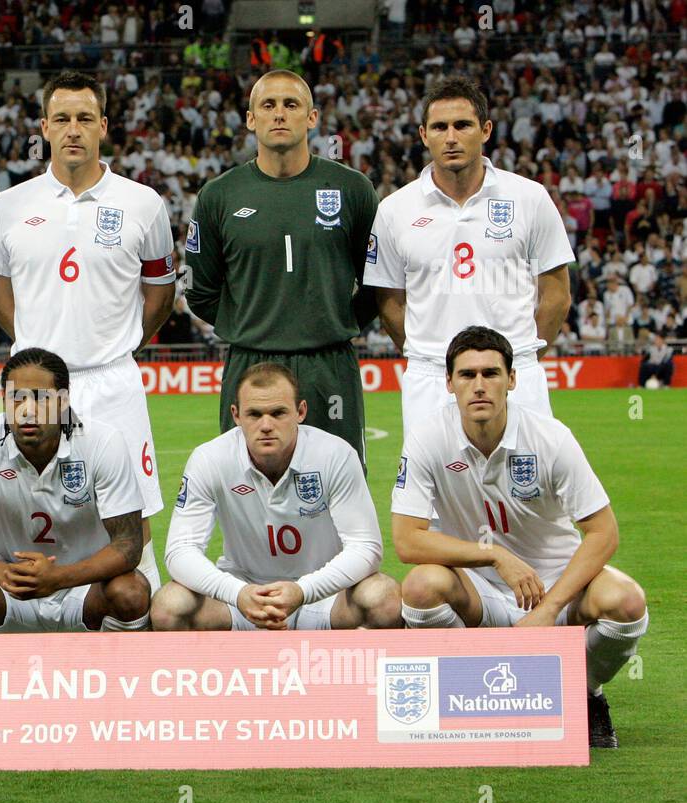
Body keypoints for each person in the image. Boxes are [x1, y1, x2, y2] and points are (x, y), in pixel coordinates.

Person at [393, 326, 648, 748]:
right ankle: (473, 688)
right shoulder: (427, 438)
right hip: (480, 590)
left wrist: (549, 608)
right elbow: (407, 541)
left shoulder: (550, 438)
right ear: (449, 383)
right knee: (420, 587)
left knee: (627, 602)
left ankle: (585, 692)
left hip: (557, 586)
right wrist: (493, 555)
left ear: (512, 379)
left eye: (491, 373)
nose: (479, 385)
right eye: (467, 374)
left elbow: (603, 532)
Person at [0, 71, 175, 593]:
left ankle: (142, 608)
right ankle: (28, 609)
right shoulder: (7, 206)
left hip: (112, 379)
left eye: (85, 118)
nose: (73, 129)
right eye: (61, 118)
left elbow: (160, 294)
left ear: (103, 126)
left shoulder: (143, 203)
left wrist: (121, 343)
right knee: (29, 500)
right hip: (34, 389)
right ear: (44, 127)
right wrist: (35, 353)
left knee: (134, 513)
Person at [186, 69, 378, 470]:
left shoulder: (352, 189)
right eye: (268, 105)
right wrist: (254, 326)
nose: (279, 113)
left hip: (328, 366)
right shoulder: (218, 196)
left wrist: (332, 322)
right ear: (250, 118)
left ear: (312, 117)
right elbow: (200, 292)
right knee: (246, 489)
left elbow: (377, 283)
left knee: (339, 486)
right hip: (251, 362)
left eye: (291, 104)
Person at [365, 77, 574, 439]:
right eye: (439, 127)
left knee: (526, 474)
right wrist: (431, 356)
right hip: (431, 377)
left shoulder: (530, 198)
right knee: (434, 477)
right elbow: (388, 303)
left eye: (462, 125)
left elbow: (557, 295)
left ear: (486, 130)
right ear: (423, 135)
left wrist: (514, 358)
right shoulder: (394, 210)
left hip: (515, 373)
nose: (451, 137)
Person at [153, 362, 400, 631]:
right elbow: (180, 550)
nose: (266, 425)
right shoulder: (209, 459)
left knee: (383, 598)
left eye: (278, 413)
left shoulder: (335, 455)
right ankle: (225, 660)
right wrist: (237, 592)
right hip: (243, 597)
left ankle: (340, 660)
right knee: (170, 605)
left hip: (322, 596)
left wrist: (303, 590)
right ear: (236, 415)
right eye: (254, 414)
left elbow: (366, 547)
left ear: (300, 412)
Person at [0, 348, 150, 633]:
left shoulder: (103, 442)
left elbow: (128, 545)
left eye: (40, 398)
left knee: (130, 593)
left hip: (83, 588)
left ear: (63, 401)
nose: (27, 410)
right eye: (16, 397)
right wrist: (6, 573)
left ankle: (109, 663)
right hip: (10, 588)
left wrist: (58, 577)